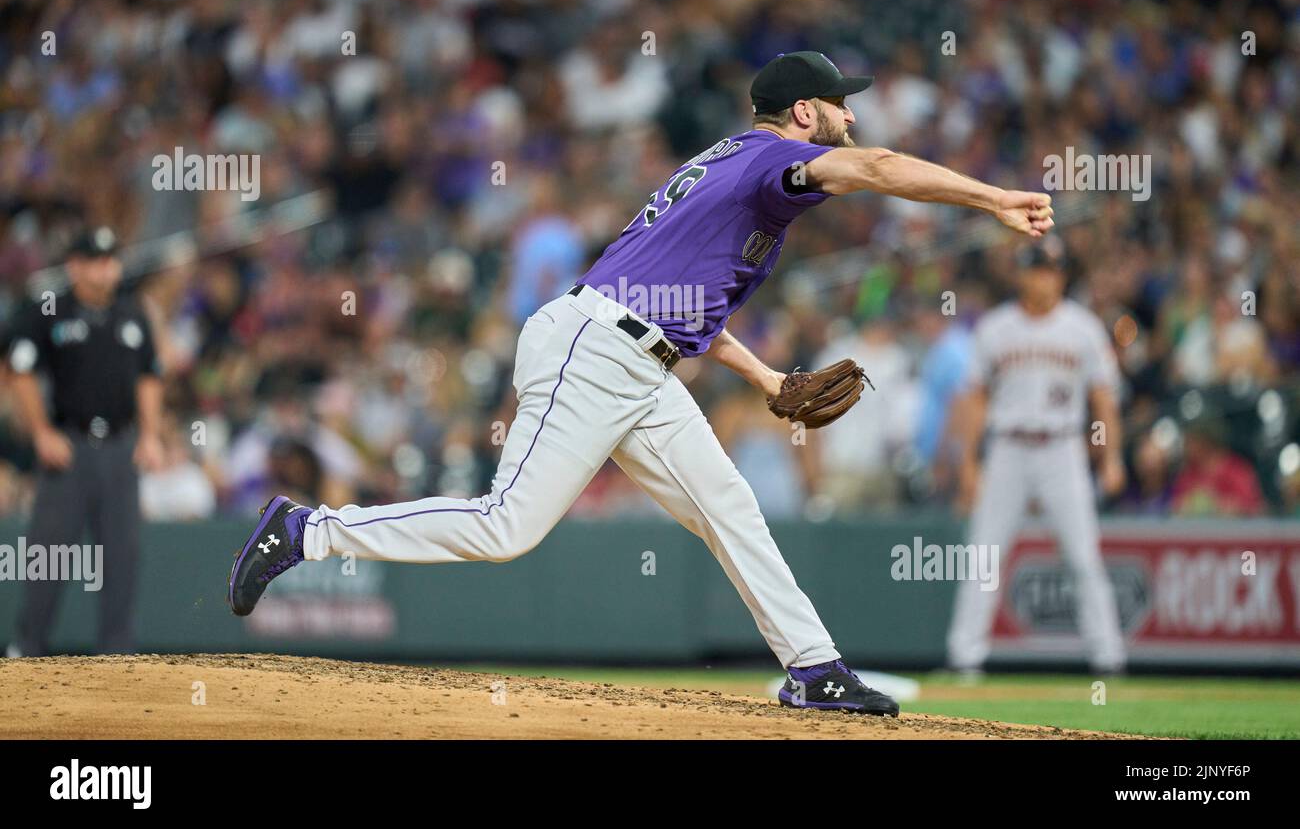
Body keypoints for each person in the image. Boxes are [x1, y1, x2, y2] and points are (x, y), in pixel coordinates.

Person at [229, 51, 1054, 714]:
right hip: (593, 354)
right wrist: (990, 199)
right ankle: (308, 532)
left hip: (637, 360)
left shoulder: (732, 166)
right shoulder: (775, 162)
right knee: (505, 527)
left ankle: (814, 669)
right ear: (805, 114)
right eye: (840, 103)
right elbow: (872, 164)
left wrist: (765, 374)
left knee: (730, 509)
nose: (850, 115)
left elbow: (679, 301)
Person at [947, 237, 1127, 676]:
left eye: (1051, 269)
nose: (1044, 277)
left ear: (1062, 274)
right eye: (1036, 268)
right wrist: (969, 464)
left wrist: (1112, 458)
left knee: (1083, 557)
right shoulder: (996, 327)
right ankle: (964, 660)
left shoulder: (1083, 327)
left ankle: (1109, 660)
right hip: (1007, 447)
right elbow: (974, 400)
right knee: (984, 557)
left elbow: (1103, 400)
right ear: (1021, 273)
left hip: (1062, 447)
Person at [5, 227, 165, 657]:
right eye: (94, 260)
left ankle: (117, 655)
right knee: (48, 554)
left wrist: (150, 435)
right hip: (69, 448)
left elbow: (151, 374)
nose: (104, 268)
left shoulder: (132, 312)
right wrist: (40, 431)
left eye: (111, 259)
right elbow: (17, 368)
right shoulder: (51, 308)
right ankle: (27, 647)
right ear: (74, 264)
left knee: (121, 558)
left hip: (120, 447)